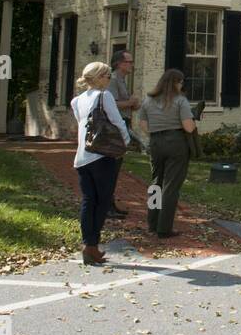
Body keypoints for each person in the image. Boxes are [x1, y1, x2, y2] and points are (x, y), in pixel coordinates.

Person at [70, 61, 131, 265]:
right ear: (98, 77)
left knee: (89, 200)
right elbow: (116, 121)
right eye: (106, 75)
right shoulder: (104, 96)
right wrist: (126, 142)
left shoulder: (76, 101)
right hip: (102, 155)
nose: (109, 79)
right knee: (103, 201)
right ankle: (92, 245)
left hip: (82, 157)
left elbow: (83, 126)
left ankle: (89, 244)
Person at [139, 68, 197, 239]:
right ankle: (164, 228)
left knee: (155, 183)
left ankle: (152, 222)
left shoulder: (148, 100)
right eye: (180, 82)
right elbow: (188, 127)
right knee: (170, 186)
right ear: (175, 83)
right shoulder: (180, 101)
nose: (181, 85)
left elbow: (142, 124)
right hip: (176, 142)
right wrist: (193, 121)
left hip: (156, 142)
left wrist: (156, 132)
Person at [106, 49, 139, 217]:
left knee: (116, 166)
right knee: (112, 166)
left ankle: (110, 203)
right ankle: (106, 206)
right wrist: (130, 102)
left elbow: (122, 103)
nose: (132, 65)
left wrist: (132, 104)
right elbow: (110, 104)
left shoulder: (122, 80)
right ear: (119, 63)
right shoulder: (112, 80)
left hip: (122, 123)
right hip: (115, 127)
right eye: (129, 62)